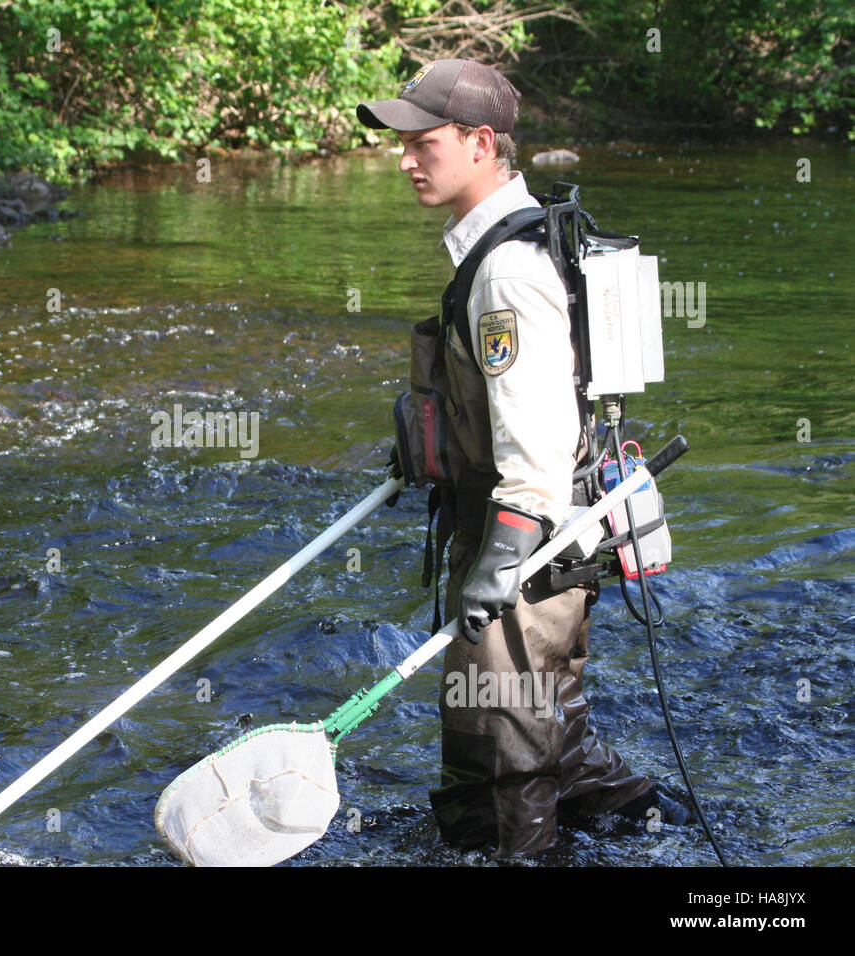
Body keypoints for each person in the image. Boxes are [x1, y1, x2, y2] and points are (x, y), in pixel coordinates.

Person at [357, 59, 660, 857]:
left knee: (498, 754)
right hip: (550, 539)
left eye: (422, 143)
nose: (405, 158)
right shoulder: (503, 244)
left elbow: (539, 434)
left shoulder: (505, 272)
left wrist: (499, 562)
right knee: (545, 729)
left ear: (481, 142)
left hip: (525, 547)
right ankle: (647, 824)